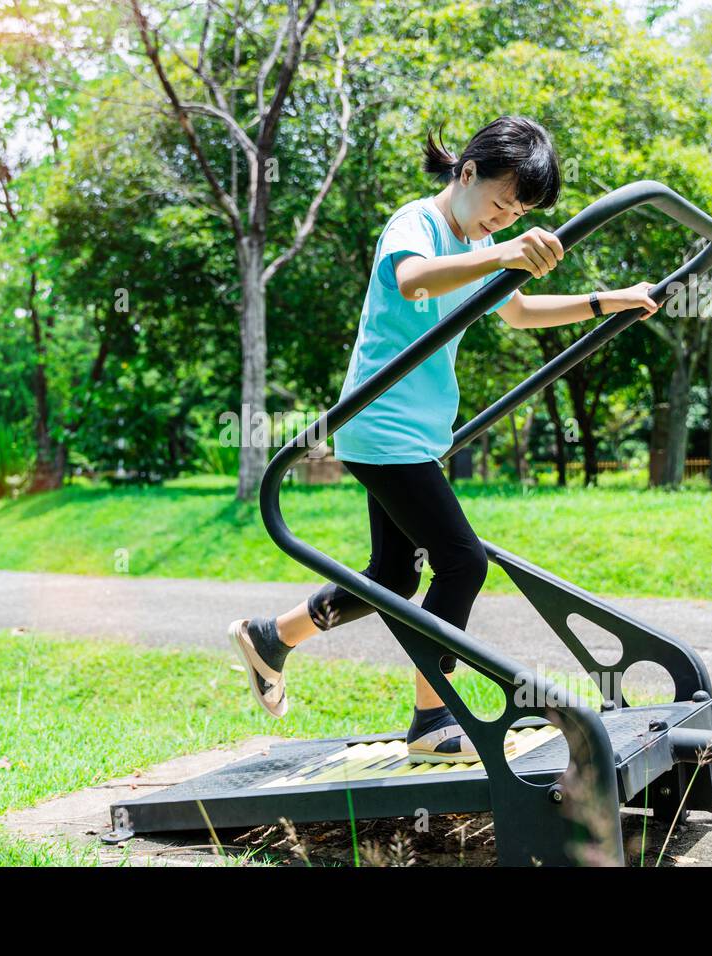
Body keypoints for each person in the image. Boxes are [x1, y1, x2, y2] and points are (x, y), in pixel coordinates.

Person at [229, 116, 660, 763]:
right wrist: (503, 254)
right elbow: (414, 279)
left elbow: (517, 312)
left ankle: (271, 637)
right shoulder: (417, 225)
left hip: (411, 437)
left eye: (518, 214)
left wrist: (610, 301)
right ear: (465, 174)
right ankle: (432, 721)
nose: (503, 220)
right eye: (499, 202)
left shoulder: (479, 249)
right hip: (381, 429)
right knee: (462, 563)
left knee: (394, 578)